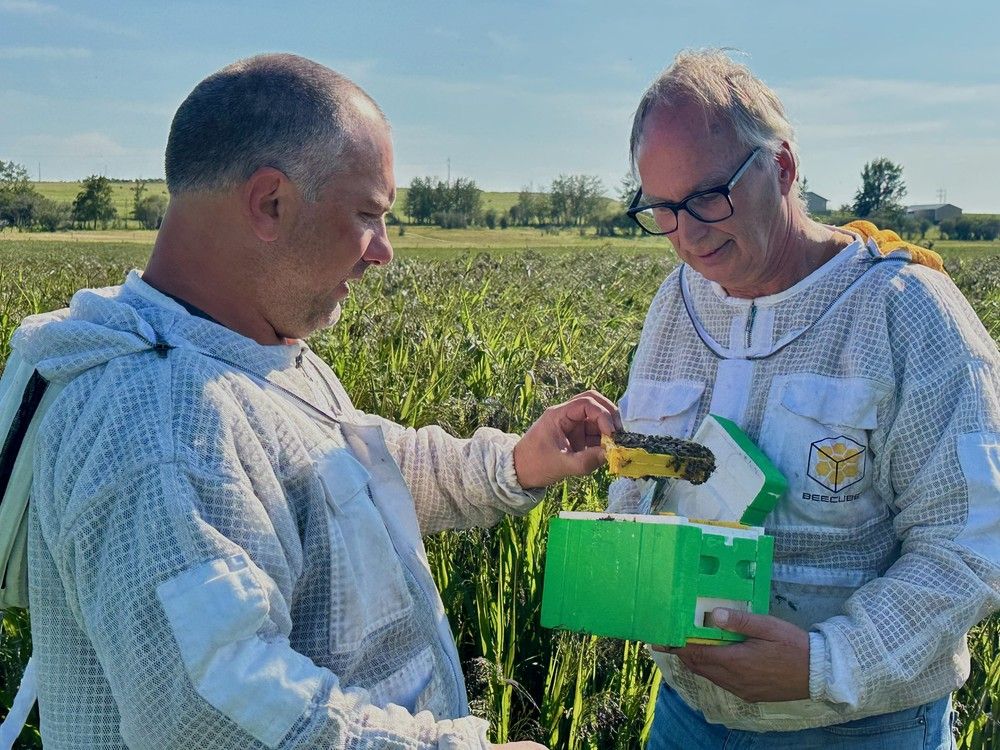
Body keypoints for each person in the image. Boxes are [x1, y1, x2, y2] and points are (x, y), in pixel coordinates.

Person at [11, 53, 618, 750]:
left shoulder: (252, 352)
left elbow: (352, 468)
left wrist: (515, 463)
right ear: (270, 203)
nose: (383, 251)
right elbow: (217, 712)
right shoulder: (161, 422)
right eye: (368, 214)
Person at [609, 49, 1000, 748]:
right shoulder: (676, 304)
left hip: (856, 726)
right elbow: (645, 475)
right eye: (663, 210)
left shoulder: (903, 309)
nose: (688, 235)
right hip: (688, 715)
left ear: (782, 168)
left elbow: (971, 541)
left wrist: (825, 664)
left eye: (707, 197)